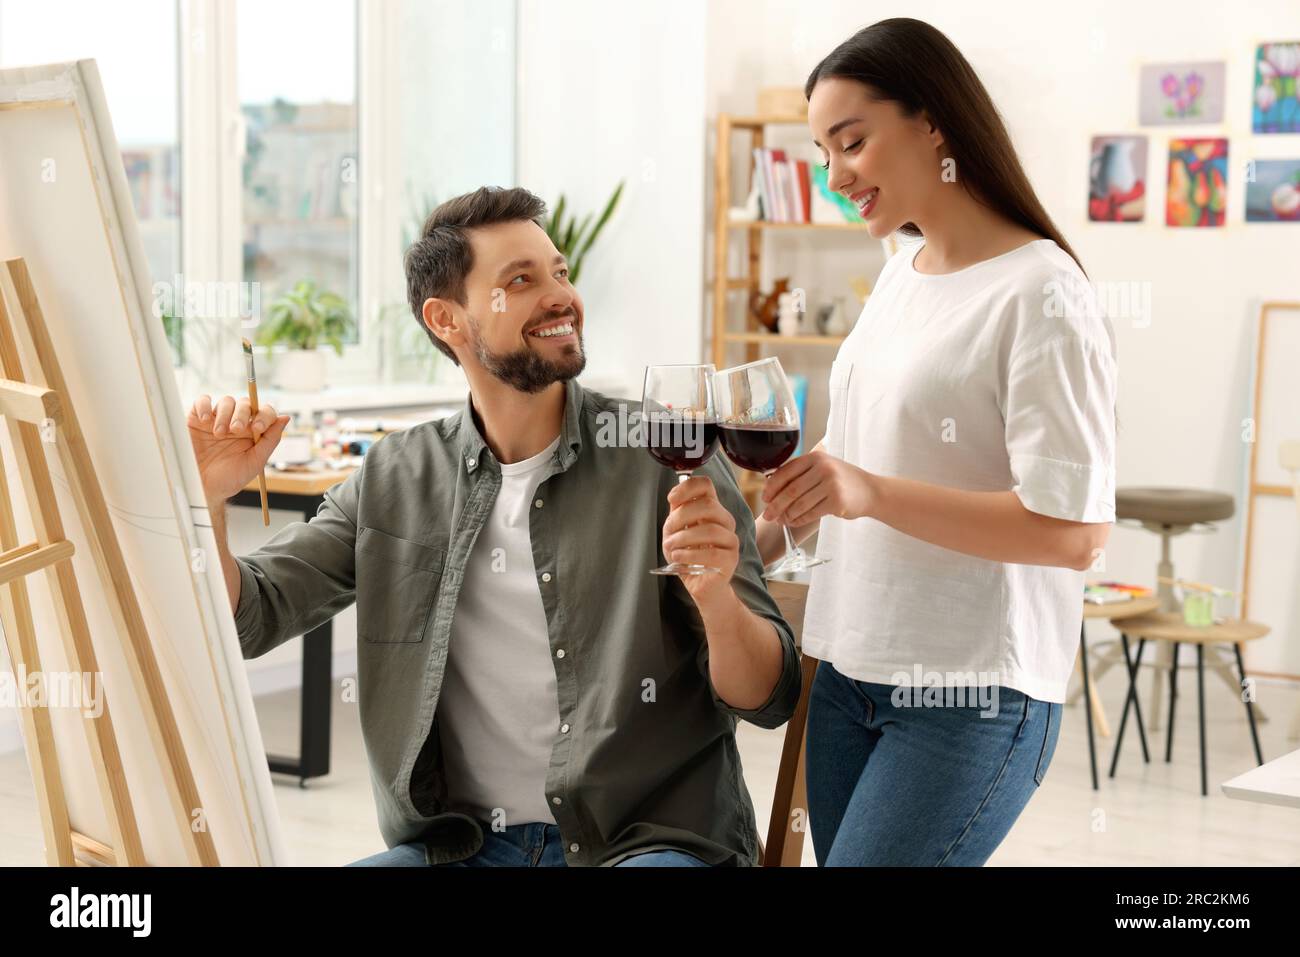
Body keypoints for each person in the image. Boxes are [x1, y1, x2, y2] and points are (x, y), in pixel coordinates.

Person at [189, 186, 800, 867]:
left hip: (644, 845)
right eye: (522, 279)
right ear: (447, 318)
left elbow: (769, 697)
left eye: (561, 272)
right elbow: (250, 617)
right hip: (463, 849)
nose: (560, 296)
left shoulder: (662, 455)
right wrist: (208, 502)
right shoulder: (394, 476)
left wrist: (716, 598)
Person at [756, 18, 1118, 866]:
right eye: (823, 151)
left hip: (971, 693)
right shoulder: (897, 271)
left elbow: (1073, 533)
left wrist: (870, 494)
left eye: (852, 142)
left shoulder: (1042, 292)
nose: (836, 175)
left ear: (934, 121)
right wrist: (752, 542)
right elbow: (846, 463)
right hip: (846, 671)